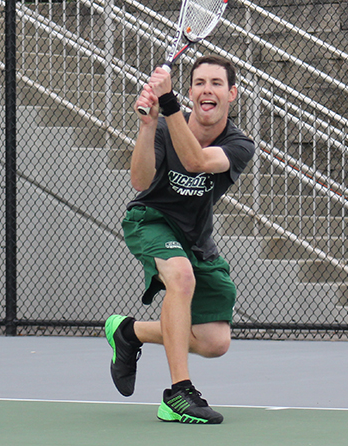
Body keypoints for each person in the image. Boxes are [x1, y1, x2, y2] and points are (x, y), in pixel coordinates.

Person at [105, 55, 256, 424]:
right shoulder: (162, 128)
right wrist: (146, 126)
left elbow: (197, 162)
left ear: (232, 94)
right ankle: (178, 394)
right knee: (181, 277)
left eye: (217, 84)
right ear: (190, 91)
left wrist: (168, 103)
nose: (208, 90)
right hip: (151, 220)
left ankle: (128, 332)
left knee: (214, 342)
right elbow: (140, 182)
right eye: (200, 83)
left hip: (196, 238)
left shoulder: (239, 144)